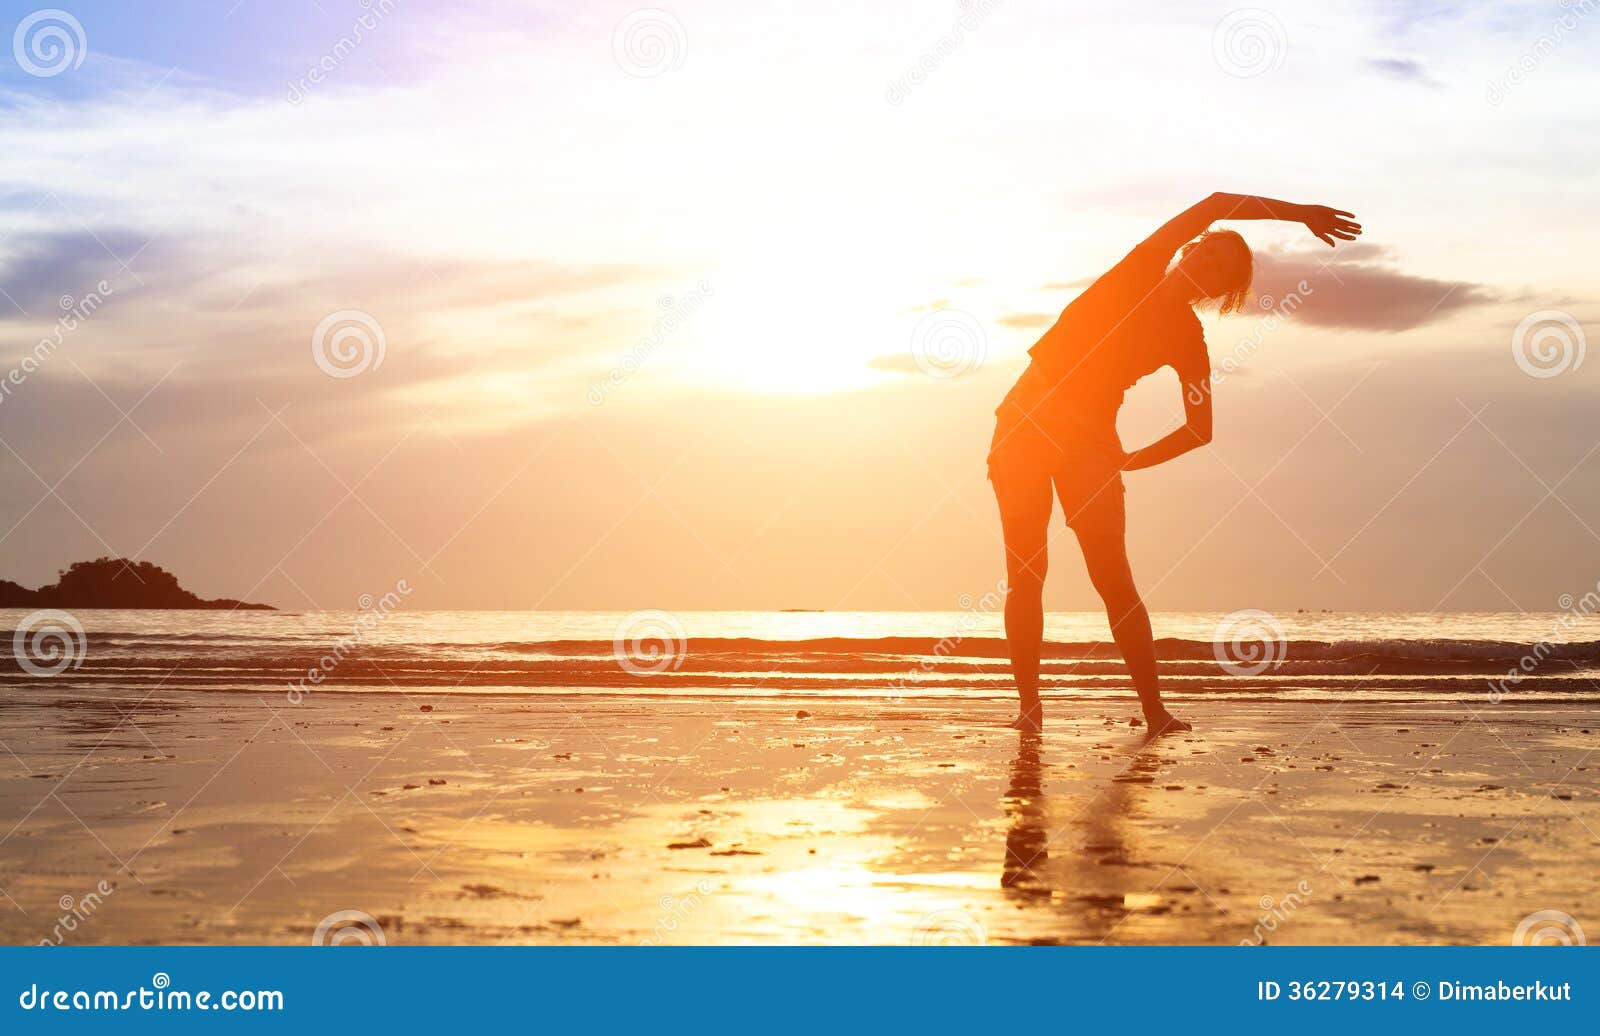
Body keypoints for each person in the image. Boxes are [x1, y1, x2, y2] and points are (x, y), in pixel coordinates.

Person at [989, 193, 1361, 734]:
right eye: (1208, 254)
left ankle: (1155, 711)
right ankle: (1029, 711)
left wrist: (1129, 460)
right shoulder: (1140, 268)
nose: (1208, 269)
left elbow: (1199, 429)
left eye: (1223, 273)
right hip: (1022, 427)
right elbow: (1215, 202)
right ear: (1189, 249)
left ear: (1218, 292)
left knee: (1114, 581)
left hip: (1091, 447)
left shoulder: (1187, 336)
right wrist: (1300, 213)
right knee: (1026, 574)